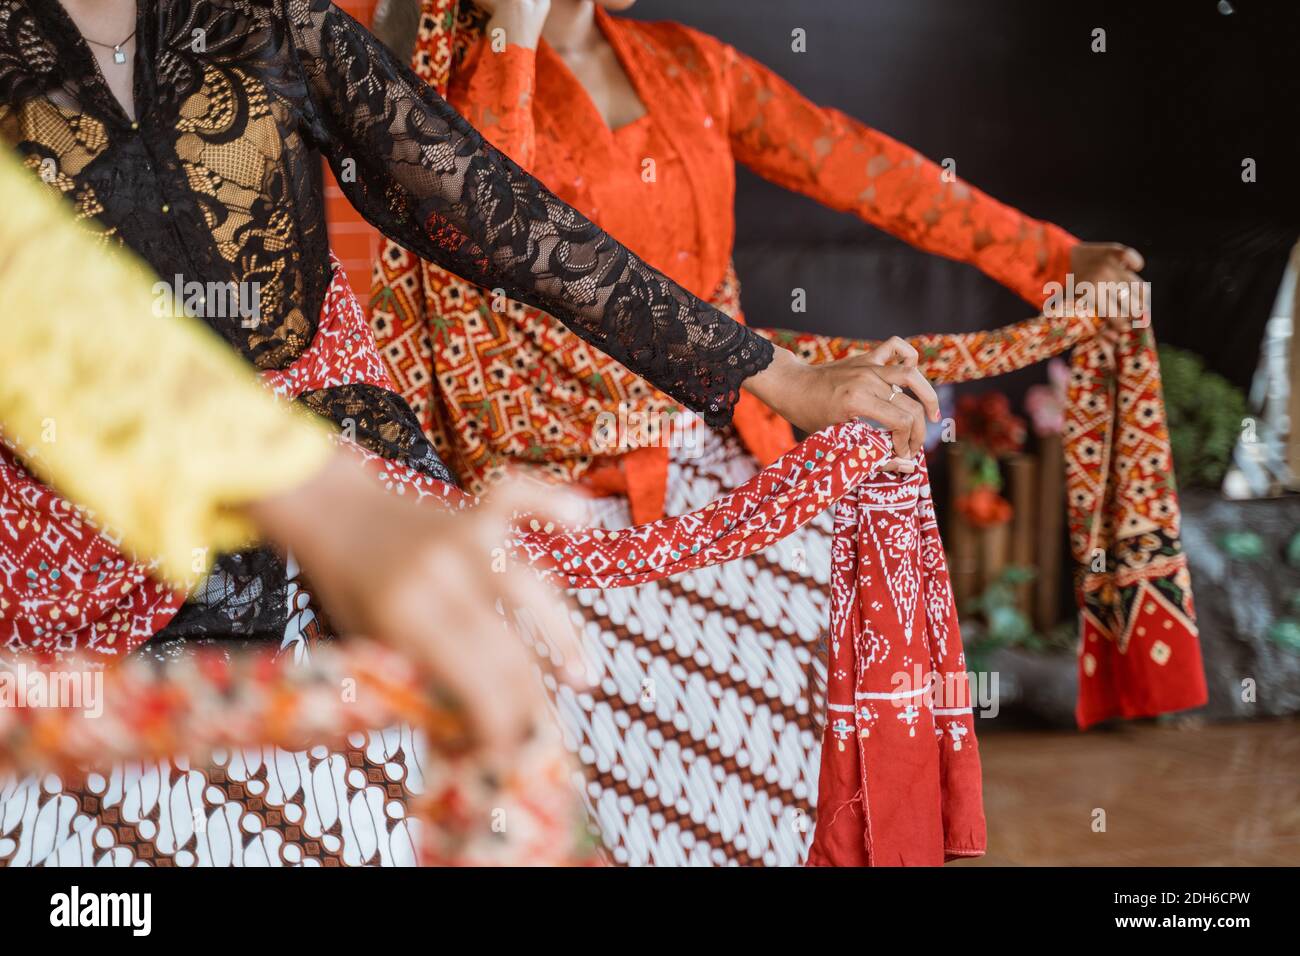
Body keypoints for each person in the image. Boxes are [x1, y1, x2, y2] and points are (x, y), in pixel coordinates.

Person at [0, 0, 934, 866]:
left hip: (355, 496)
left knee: (466, 787)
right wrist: (315, 499)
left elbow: (502, 214)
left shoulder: (265, 15)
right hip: (73, 549)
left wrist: (775, 375)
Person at [367, 0, 1150, 865]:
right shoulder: (448, 77)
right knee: (621, 807)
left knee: (787, 778)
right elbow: (483, 223)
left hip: (734, 473)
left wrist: (1048, 255)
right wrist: (515, 31)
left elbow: (862, 167)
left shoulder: (687, 65)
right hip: (564, 506)